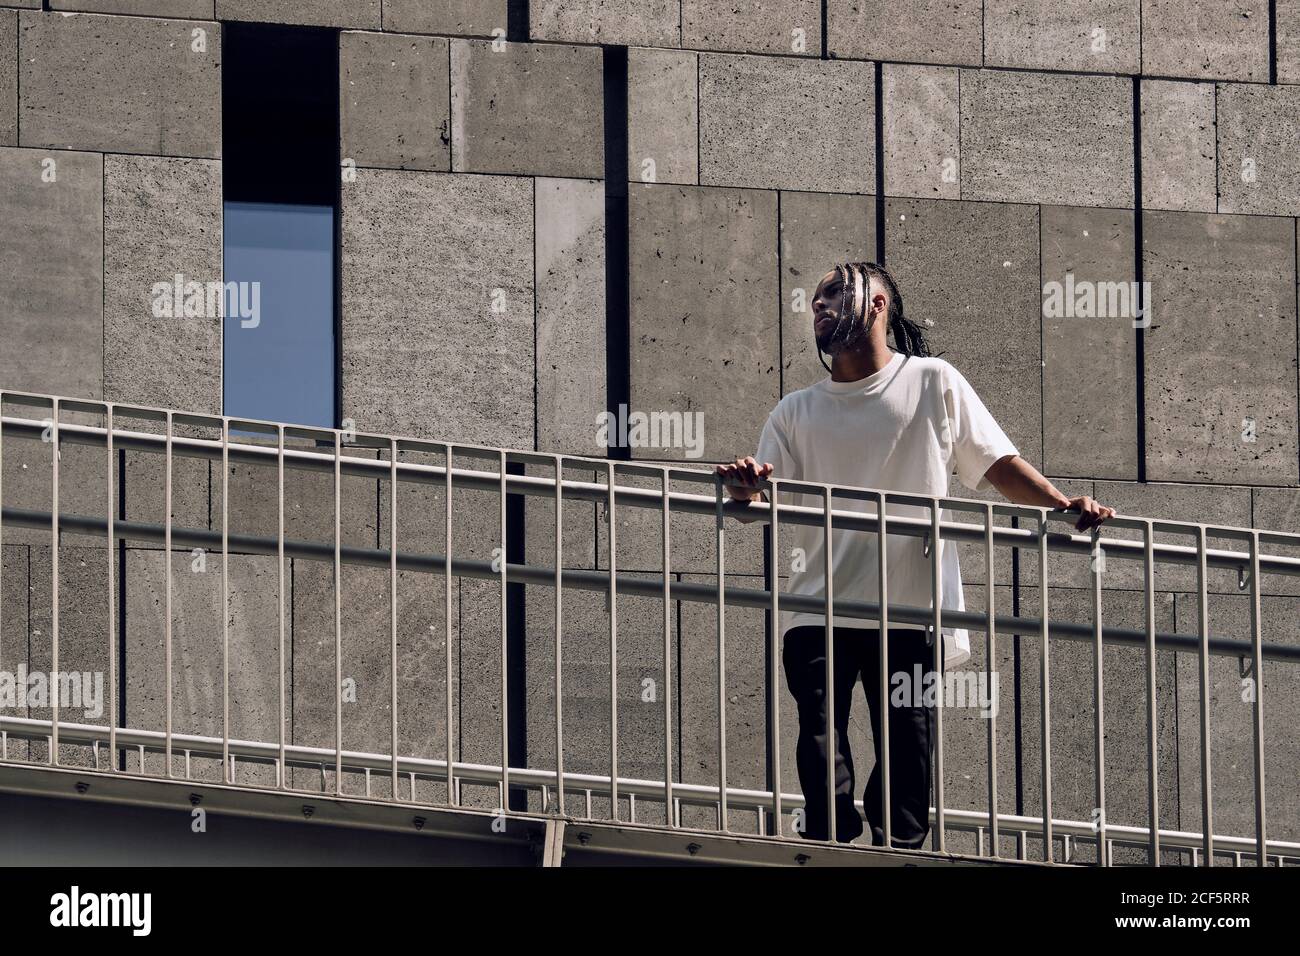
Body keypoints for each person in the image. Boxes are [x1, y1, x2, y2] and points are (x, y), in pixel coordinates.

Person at [716, 261, 1114, 848]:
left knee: (908, 744)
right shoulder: (794, 411)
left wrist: (1061, 504)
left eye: (833, 294)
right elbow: (762, 496)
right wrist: (746, 486)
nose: (819, 306)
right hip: (816, 608)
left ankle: (899, 846)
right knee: (820, 738)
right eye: (816, 300)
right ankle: (833, 838)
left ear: (877, 306)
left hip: (910, 608)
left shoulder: (933, 381)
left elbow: (995, 462)